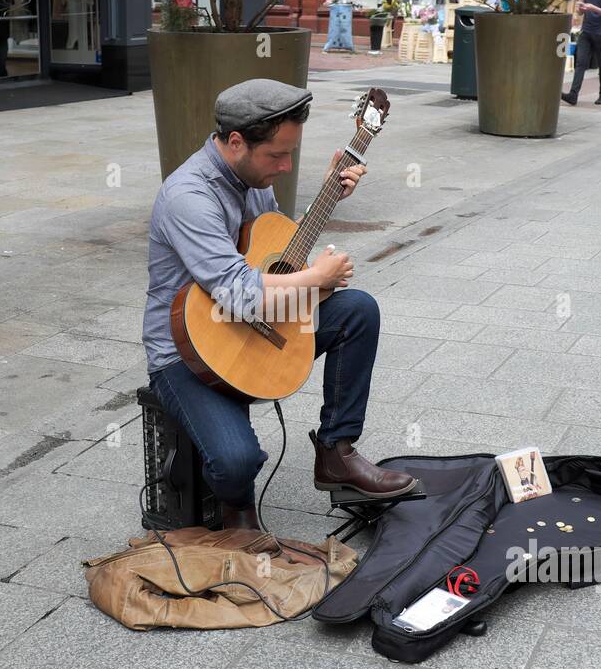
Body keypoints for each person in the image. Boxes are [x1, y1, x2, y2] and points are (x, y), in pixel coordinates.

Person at [144, 79, 417, 532]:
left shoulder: (254, 179)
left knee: (357, 311)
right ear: (235, 142)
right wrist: (317, 278)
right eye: (276, 155)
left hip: (246, 328)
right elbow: (238, 291)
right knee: (237, 462)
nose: (287, 166)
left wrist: (329, 192)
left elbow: (273, 255)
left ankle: (336, 452)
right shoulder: (188, 198)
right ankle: (236, 507)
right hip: (188, 353)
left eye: (291, 153)